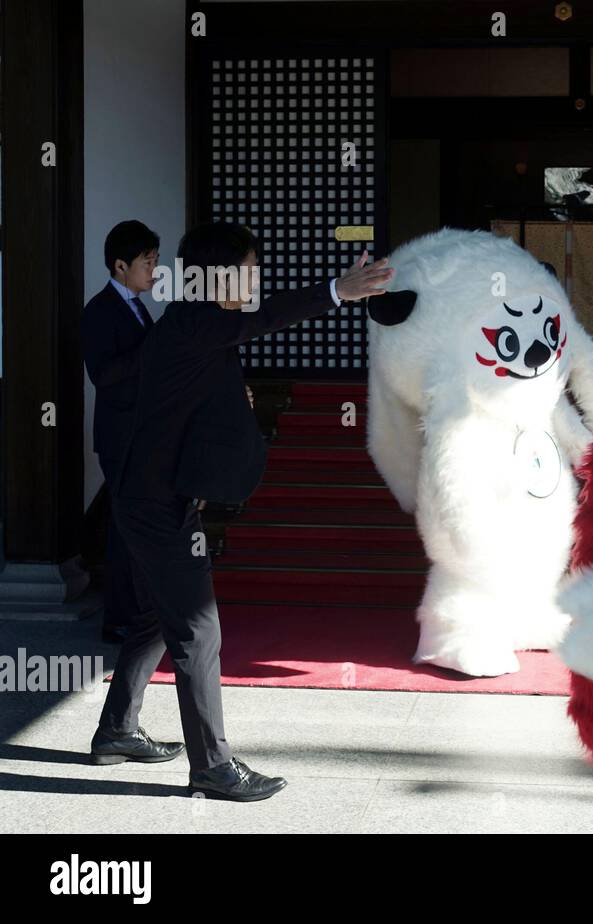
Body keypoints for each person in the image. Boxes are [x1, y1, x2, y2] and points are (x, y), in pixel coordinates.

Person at [90, 222, 393, 801]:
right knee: (199, 630)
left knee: (158, 617)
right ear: (222, 274)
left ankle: (116, 729)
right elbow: (266, 317)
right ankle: (211, 767)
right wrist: (337, 289)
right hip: (156, 505)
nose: (256, 278)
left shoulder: (191, 326)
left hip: (150, 496)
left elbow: (192, 393)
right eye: (251, 267)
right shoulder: (199, 322)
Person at [82, 220, 159, 643]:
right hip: (119, 435)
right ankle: (119, 617)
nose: (154, 270)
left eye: (155, 261)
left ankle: (136, 612)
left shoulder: (135, 305)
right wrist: (152, 350)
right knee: (124, 529)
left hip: (139, 433)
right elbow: (103, 374)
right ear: (120, 264)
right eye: (147, 262)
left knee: (134, 525)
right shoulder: (99, 311)